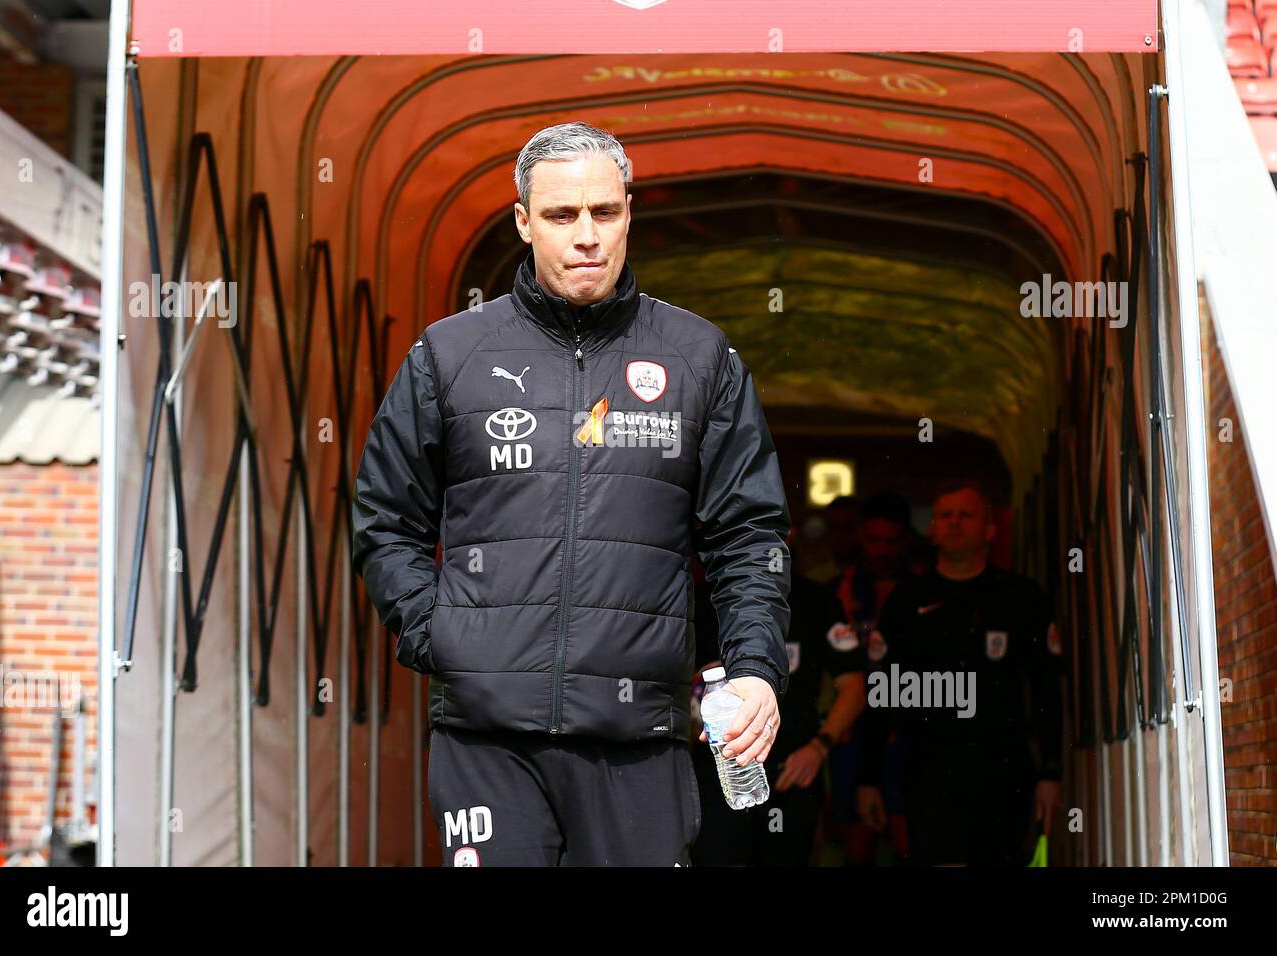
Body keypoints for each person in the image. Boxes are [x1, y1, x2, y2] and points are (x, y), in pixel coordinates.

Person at [351, 122, 792, 866]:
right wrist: (440, 633)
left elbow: (747, 535)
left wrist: (754, 668)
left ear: (629, 211)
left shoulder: (699, 357)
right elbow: (385, 519)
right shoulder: (449, 356)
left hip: (636, 742)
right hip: (484, 741)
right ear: (523, 222)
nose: (586, 235)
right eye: (560, 216)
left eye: (603, 212)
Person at [856, 478, 1063, 866]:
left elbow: (1047, 690)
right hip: (931, 770)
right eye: (945, 516)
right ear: (931, 529)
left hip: (1003, 771)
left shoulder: (1020, 597)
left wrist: (1051, 772)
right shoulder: (907, 601)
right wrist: (869, 779)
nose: (954, 523)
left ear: (989, 529)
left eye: (965, 515)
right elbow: (880, 696)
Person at [690, 538, 866, 867]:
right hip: (721, 770)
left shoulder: (816, 599)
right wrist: (699, 699)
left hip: (792, 772)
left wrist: (820, 747)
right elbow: (676, 691)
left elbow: (854, 686)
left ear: (790, 536)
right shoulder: (702, 600)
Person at [825, 491, 914, 864]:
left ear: (906, 540)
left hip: (904, 728)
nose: (882, 550)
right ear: (862, 537)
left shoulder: (922, 591)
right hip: (852, 733)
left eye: (890, 541)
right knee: (856, 847)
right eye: (874, 540)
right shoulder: (838, 591)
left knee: (908, 842)